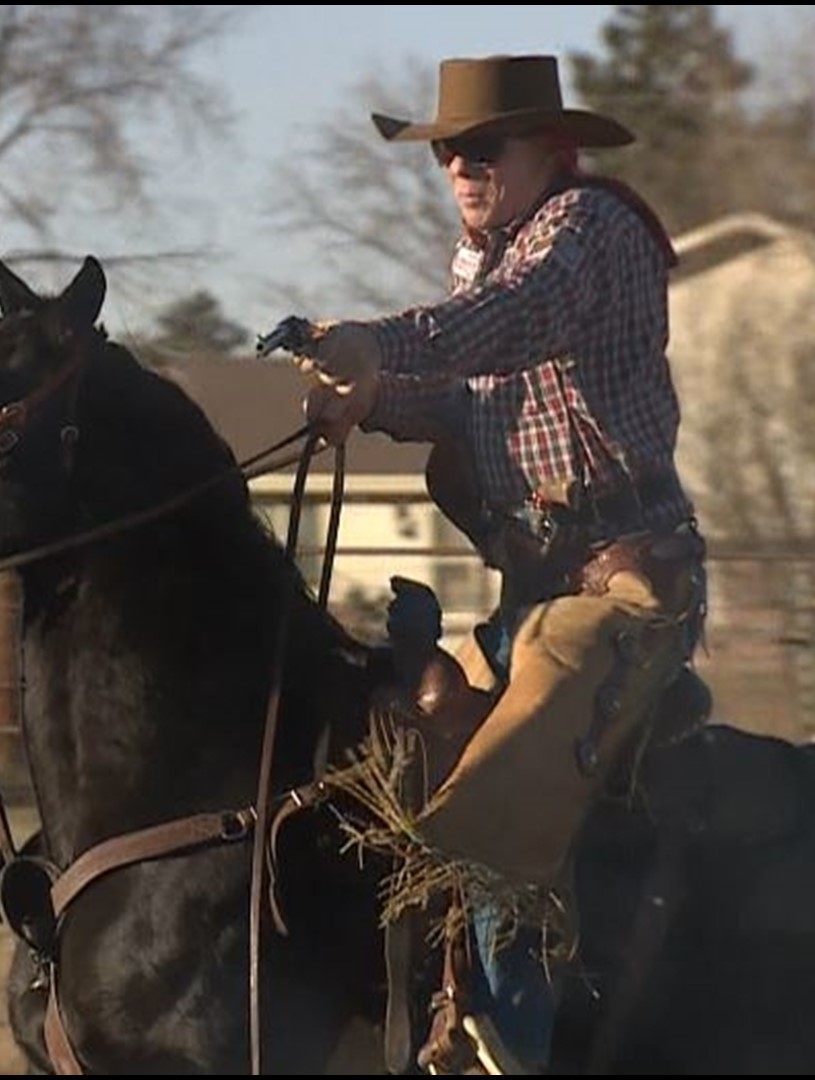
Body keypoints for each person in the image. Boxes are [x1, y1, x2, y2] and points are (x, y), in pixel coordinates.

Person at [291, 54, 710, 1072]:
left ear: (549, 149)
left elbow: (512, 322)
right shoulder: (484, 261)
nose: (460, 168)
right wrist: (371, 399)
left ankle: (510, 1049)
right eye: (447, 151)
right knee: (399, 753)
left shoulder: (586, 230)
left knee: (496, 799)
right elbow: (468, 394)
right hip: (538, 594)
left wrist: (376, 344)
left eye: (481, 148)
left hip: (630, 585)